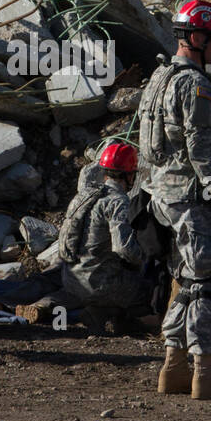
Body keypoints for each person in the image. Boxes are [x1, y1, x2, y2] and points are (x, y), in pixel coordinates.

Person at [137, 0, 211, 400]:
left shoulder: (158, 77)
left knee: (184, 279)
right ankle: (205, 374)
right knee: (207, 282)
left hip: (161, 193)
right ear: (196, 38)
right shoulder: (195, 84)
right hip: (191, 197)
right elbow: (201, 146)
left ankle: (173, 368)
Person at [57, 142, 148, 333]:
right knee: (149, 288)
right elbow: (124, 249)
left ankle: (98, 311)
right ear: (128, 175)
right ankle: (111, 315)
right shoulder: (118, 202)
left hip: (71, 279)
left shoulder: (86, 195)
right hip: (98, 284)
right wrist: (144, 260)